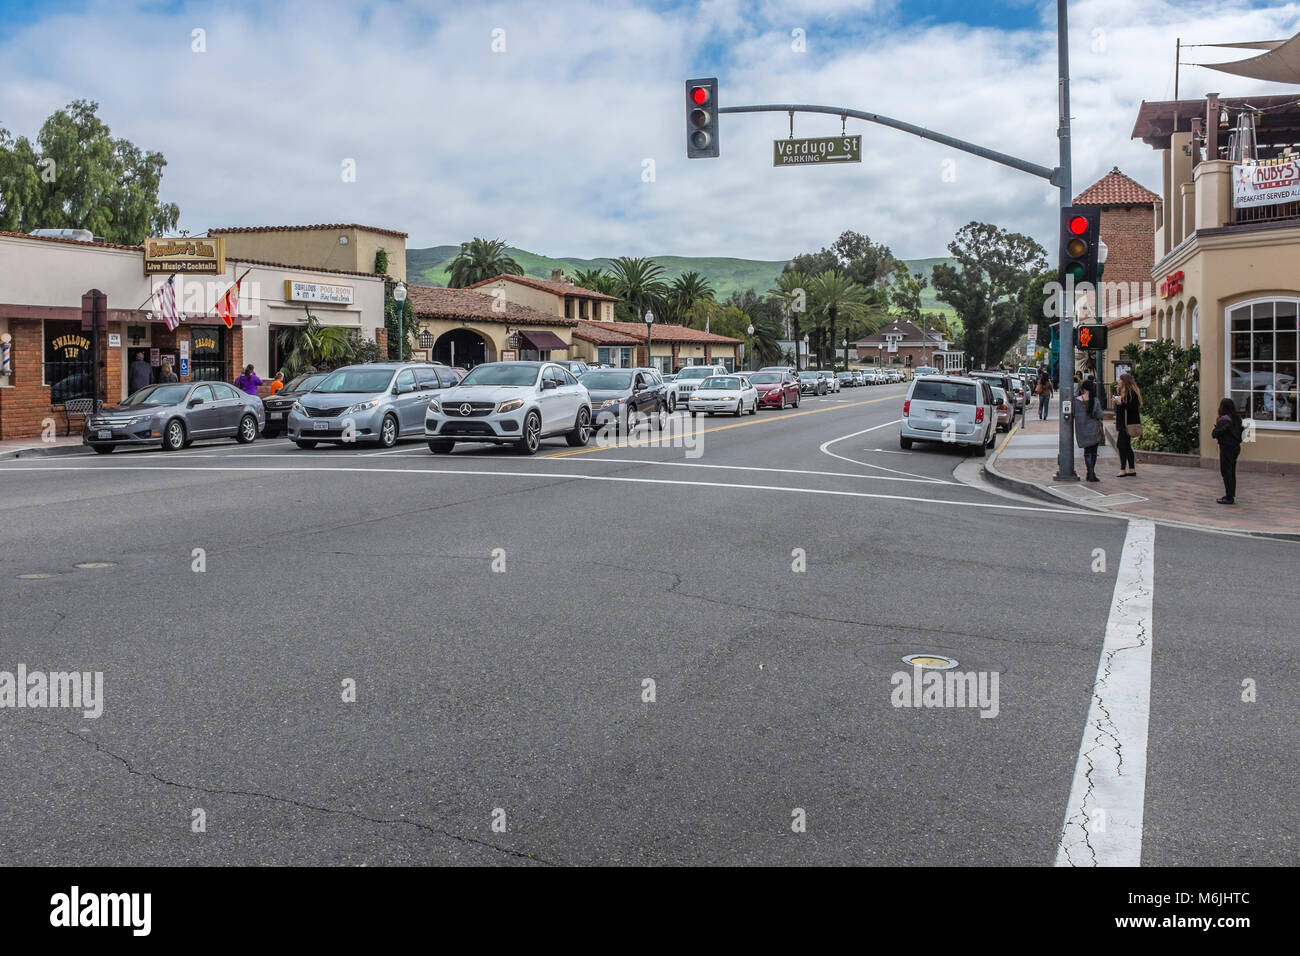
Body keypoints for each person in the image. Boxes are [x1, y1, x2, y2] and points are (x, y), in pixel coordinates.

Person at [1211, 397, 1244, 505]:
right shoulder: (1237, 418)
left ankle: (1229, 497)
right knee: (1231, 471)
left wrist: (1217, 427)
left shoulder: (1224, 420)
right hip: (1235, 448)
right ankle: (1230, 494)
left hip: (1226, 448)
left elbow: (1214, 434)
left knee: (1226, 471)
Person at [1073, 379, 1104, 482]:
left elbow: (1072, 414)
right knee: (1093, 452)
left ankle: (1090, 473)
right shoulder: (1095, 400)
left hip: (1082, 430)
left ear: (1083, 389)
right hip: (1094, 429)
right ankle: (1091, 473)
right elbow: (1100, 415)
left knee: (1087, 452)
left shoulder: (1076, 401)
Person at [1113, 372, 1142, 477]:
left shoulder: (1131, 393)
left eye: (1120, 380)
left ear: (1124, 381)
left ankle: (1122, 469)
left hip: (1127, 424)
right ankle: (1131, 469)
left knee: (1121, 445)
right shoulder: (1123, 393)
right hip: (1122, 423)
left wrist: (1121, 403)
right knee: (1126, 445)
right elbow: (1118, 410)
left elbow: (1133, 408)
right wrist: (1117, 399)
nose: (1118, 381)